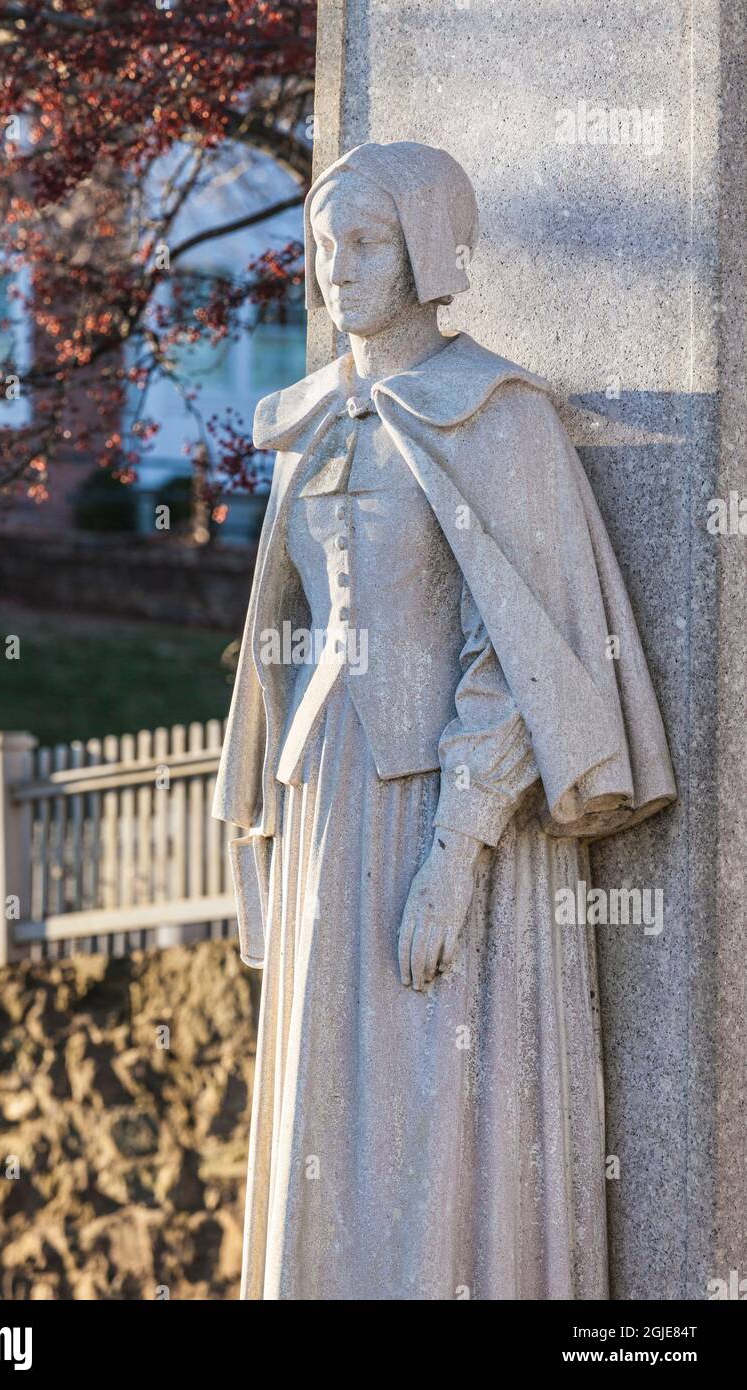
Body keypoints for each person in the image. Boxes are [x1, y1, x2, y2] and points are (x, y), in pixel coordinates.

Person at [213, 141, 676, 1301]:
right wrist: (262, 815)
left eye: (363, 241)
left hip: (443, 815)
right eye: (321, 246)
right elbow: (277, 648)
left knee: (438, 1092)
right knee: (333, 1096)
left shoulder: (496, 415)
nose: (335, 270)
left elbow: (523, 653)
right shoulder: (306, 422)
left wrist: (457, 852)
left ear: (427, 249)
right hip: (327, 799)